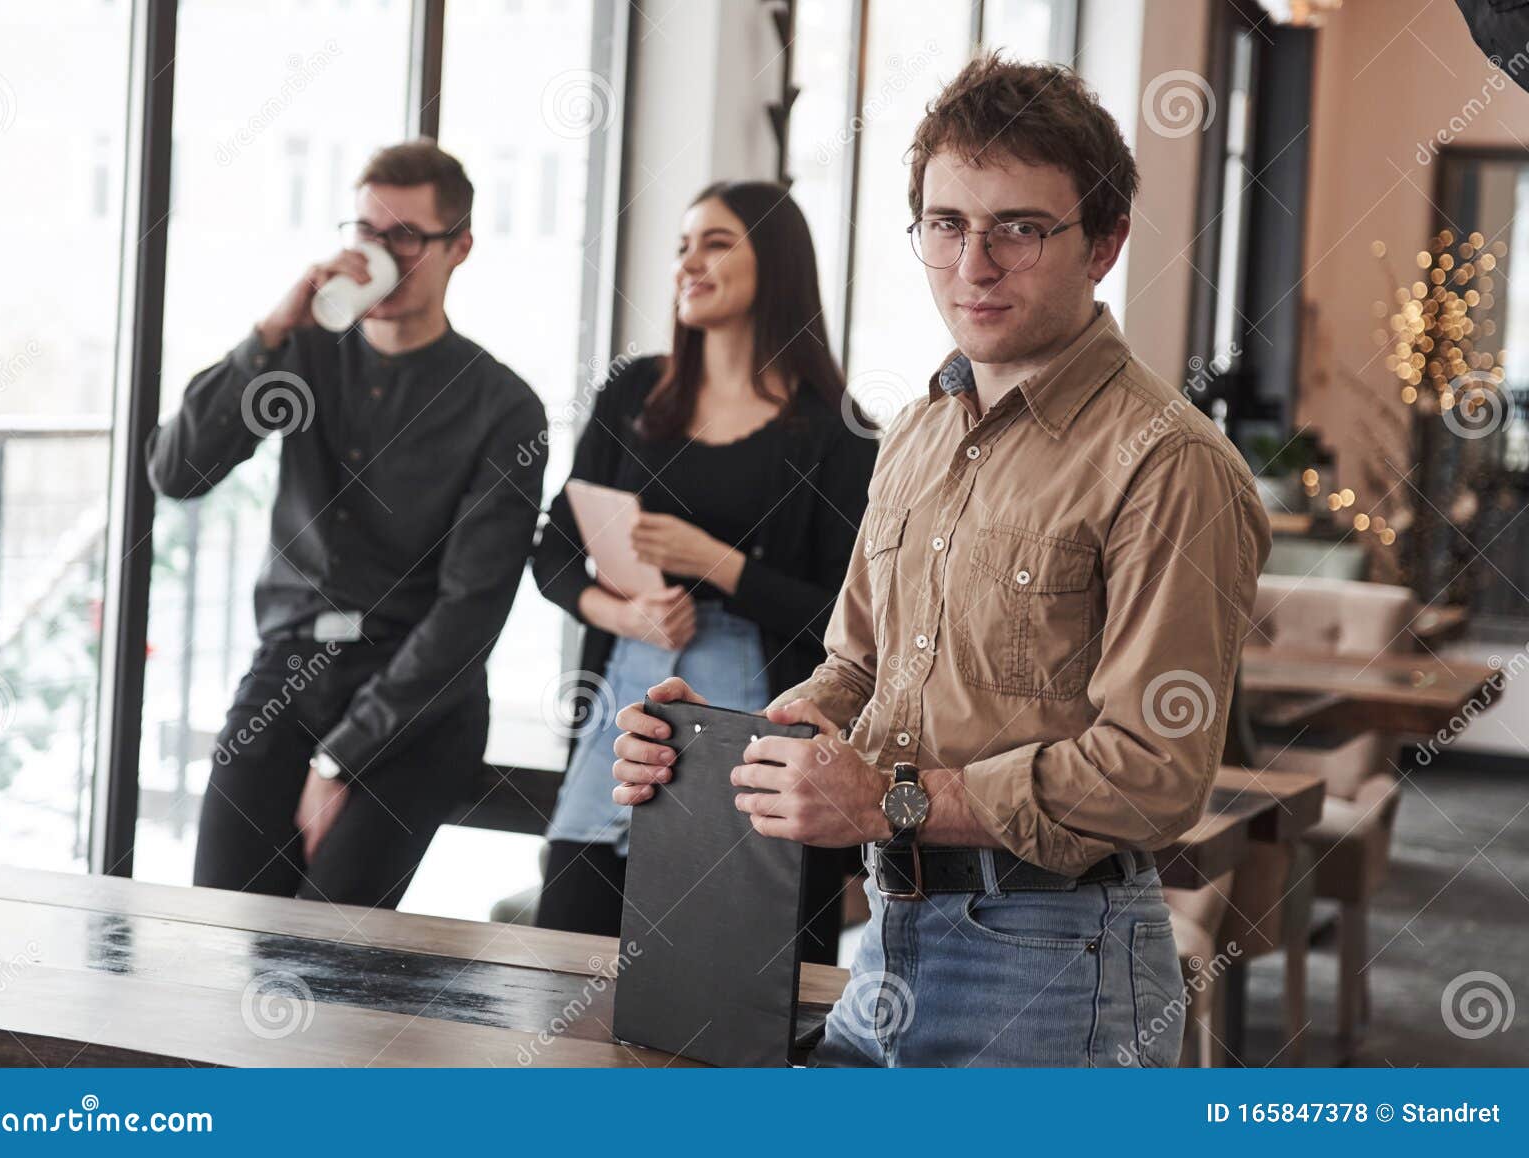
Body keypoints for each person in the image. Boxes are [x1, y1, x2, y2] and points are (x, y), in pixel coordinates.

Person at [610, 53, 1271, 1066]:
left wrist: (887, 801)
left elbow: (1155, 774)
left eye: (1019, 228)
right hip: (891, 932)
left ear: (1104, 242)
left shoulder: (1172, 465)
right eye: (946, 224)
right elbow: (859, 670)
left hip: (1061, 963)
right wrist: (726, 746)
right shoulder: (916, 433)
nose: (974, 265)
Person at [148, 140, 547, 909]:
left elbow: (469, 614)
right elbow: (178, 470)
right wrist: (269, 331)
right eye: (365, 231)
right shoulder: (303, 355)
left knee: (327, 948)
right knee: (220, 927)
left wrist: (337, 763)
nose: (380, 254)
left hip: (417, 698)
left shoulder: (503, 407)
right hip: (288, 672)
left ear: (458, 247)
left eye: (404, 236)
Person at [530, 181, 877, 962]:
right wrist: (627, 615)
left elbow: (854, 628)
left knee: (743, 986)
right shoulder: (633, 396)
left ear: (777, 265)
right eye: (683, 245)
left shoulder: (840, 435)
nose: (689, 261)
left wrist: (717, 565)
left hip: (766, 738)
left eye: (716, 243)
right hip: (626, 710)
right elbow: (552, 553)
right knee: (568, 957)